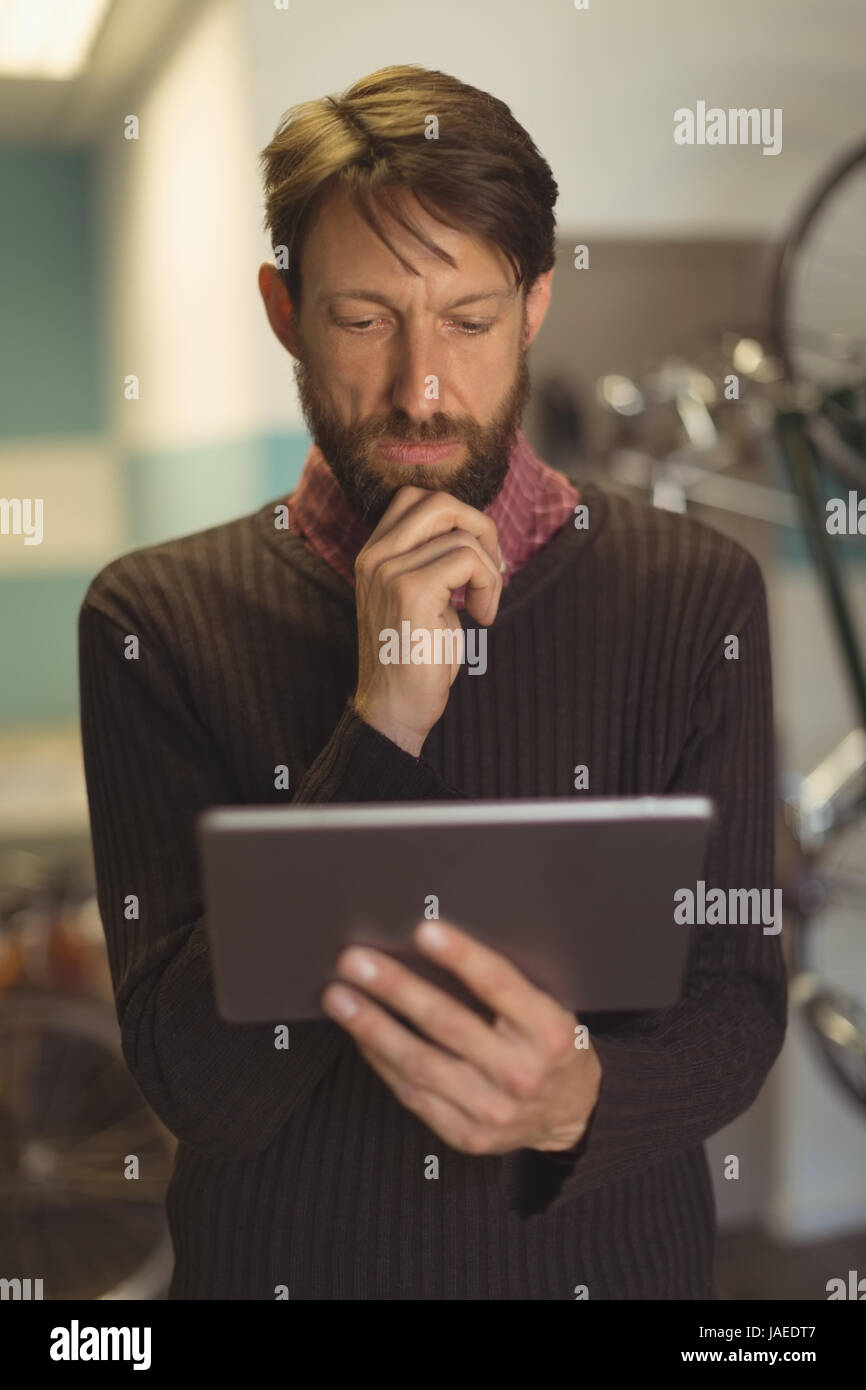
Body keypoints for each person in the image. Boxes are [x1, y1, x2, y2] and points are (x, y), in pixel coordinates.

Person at [78, 64, 787, 1300]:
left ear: (534, 308)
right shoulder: (154, 620)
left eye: (467, 319)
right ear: (283, 311)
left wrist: (584, 1094)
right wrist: (381, 716)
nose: (420, 385)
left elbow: (735, 1001)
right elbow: (195, 1084)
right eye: (362, 320)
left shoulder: (694, 595)